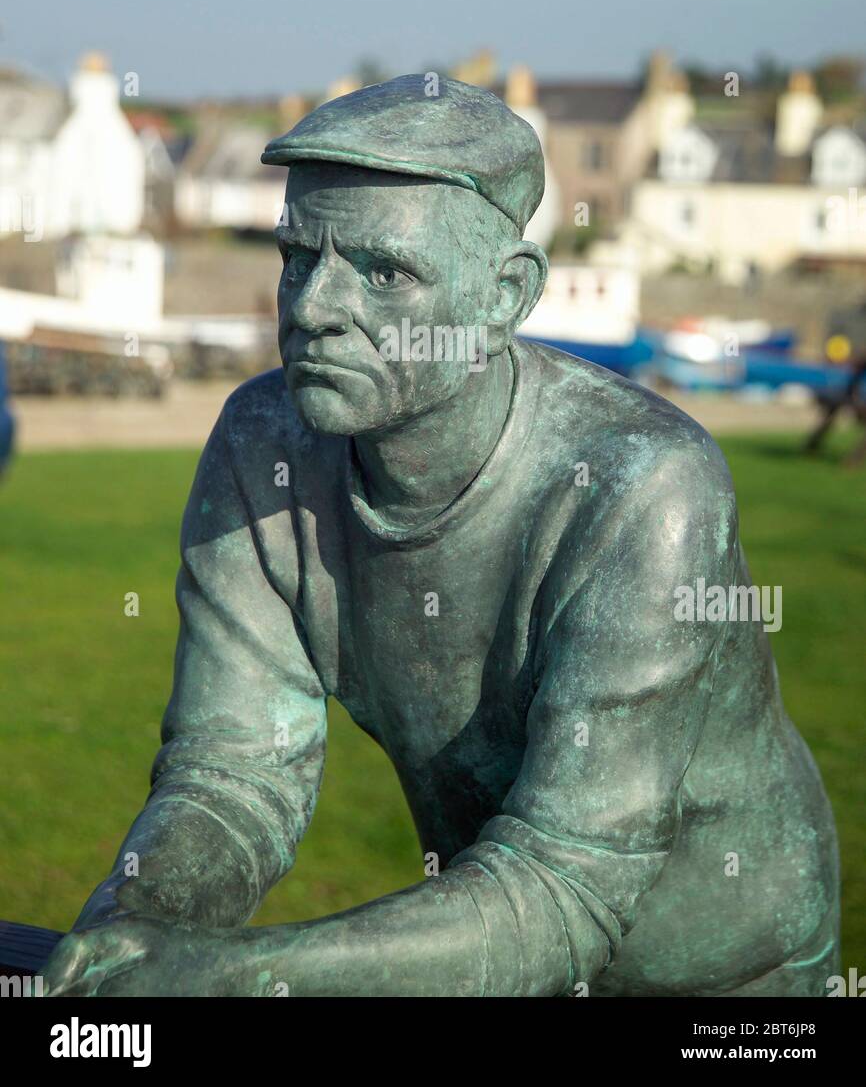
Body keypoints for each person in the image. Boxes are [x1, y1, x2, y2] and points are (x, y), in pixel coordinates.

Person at [43, 76, 839, 997]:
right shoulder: (263, 445)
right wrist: (131, 932)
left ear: (507, 295)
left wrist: (235, 978)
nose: (311, 308)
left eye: (385, 273)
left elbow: (563, 887)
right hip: (497, 948)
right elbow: (233, 776)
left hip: (727, 987)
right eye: (299, 257)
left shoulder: (648, 487)